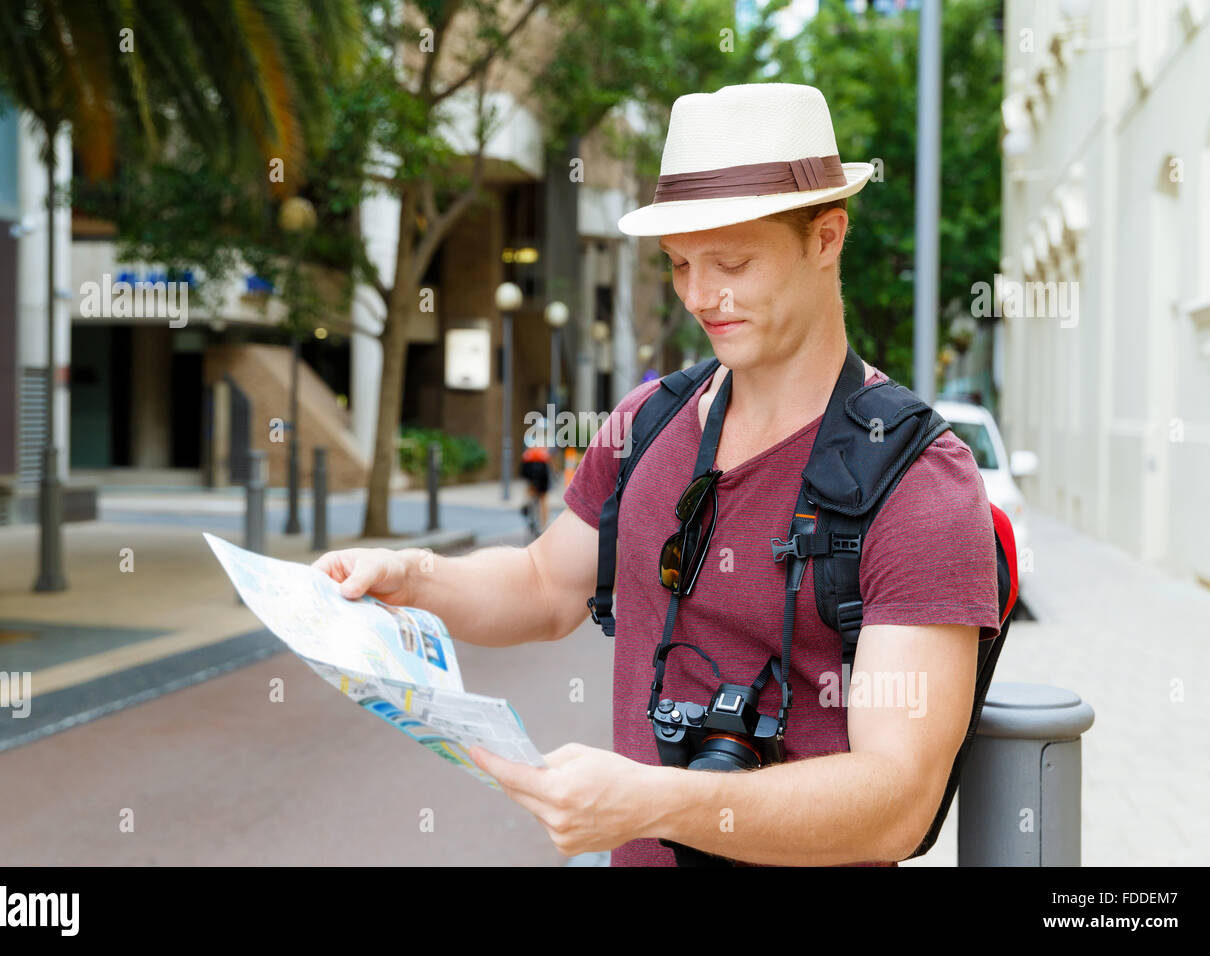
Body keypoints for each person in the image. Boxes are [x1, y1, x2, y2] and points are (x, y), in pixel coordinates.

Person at [312, 83, 1000, 866]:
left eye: (731, 262)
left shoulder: (920, 481)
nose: (701, 297)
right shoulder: (646, 423)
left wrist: (660, 801)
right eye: (678, 264)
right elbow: (543, 585)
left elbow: (897, 803)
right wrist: (411, 575)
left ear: (826, 236)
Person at [519, 435, 551, 530]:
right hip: (542, 467)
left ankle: (527, 502)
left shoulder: (529, 438)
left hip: (528, 465)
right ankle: (544, 525)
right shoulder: (546, 440)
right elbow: (549, 457)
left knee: (529, 486)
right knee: (543, 497)